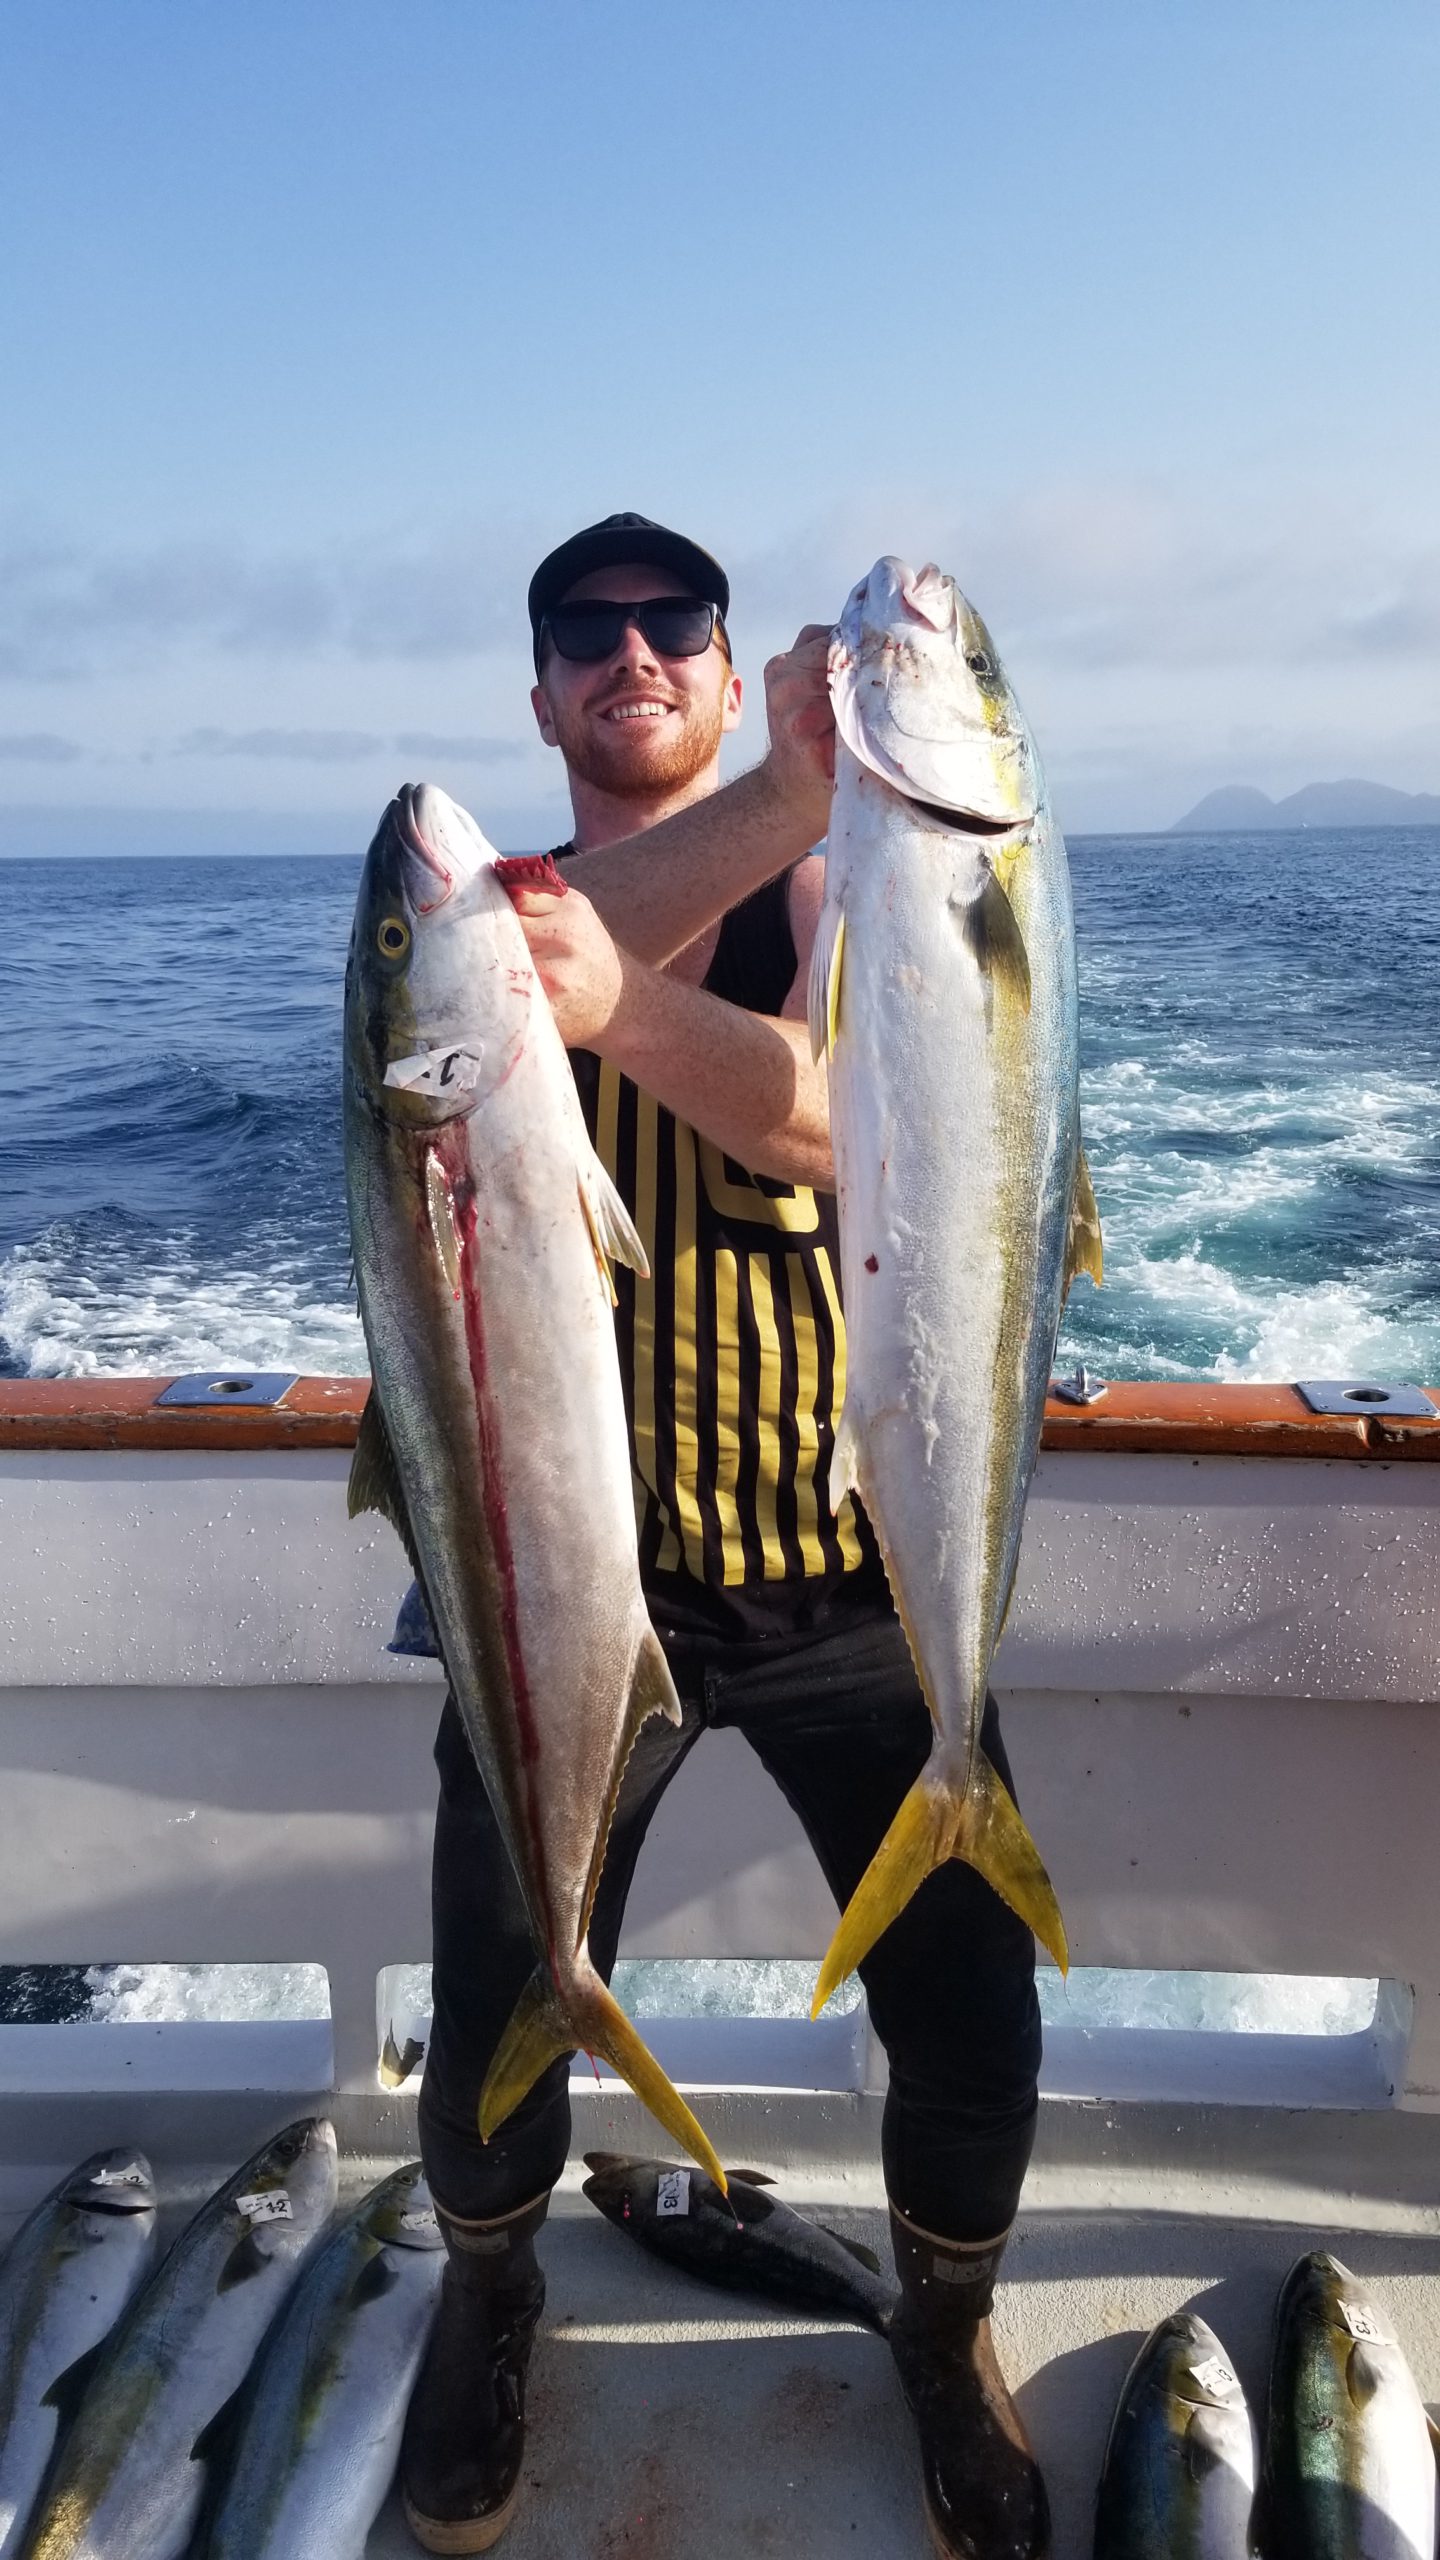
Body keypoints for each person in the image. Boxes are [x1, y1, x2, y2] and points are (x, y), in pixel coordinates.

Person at [398, 513, 1048, 2560]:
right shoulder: (485, 913)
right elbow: (512, 969)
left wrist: (771, 831)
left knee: (969, 1996)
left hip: (850, 1562)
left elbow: (873, 1121)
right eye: (583, 636)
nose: (631, 655)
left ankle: (944, 2325)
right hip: (570, 1574)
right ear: (540, 698)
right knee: (499, 1971)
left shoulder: (842, 887)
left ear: (719, 650)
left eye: (669, 620)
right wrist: (737, 814)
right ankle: (492, 2287)